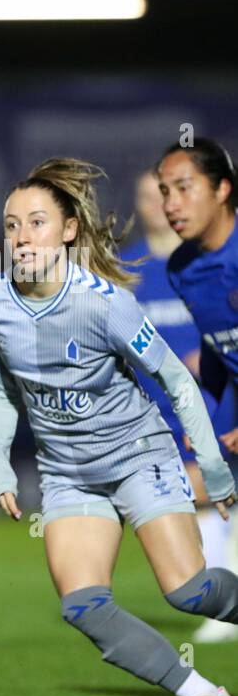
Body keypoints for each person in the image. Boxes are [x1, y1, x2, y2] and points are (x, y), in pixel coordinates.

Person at [0, 157, 238, 696]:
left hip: (138, 454)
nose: (21, 238)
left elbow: (176, 379)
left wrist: (215, 473)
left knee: (189, 591)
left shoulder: (104, 302)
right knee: (83, 606)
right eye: (12, 225)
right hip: (67, 473)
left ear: (69, 230)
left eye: (36, 222)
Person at [123, 167, 238, 643]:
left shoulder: (203, 264)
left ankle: (219, 598)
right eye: (149, 196)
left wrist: (208, 352)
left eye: (165, 194)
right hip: (151, 408)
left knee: (202, 488)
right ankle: (220, 594)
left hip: (209, 396)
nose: (158, 205)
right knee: (199, 498)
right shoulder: (126, 269)